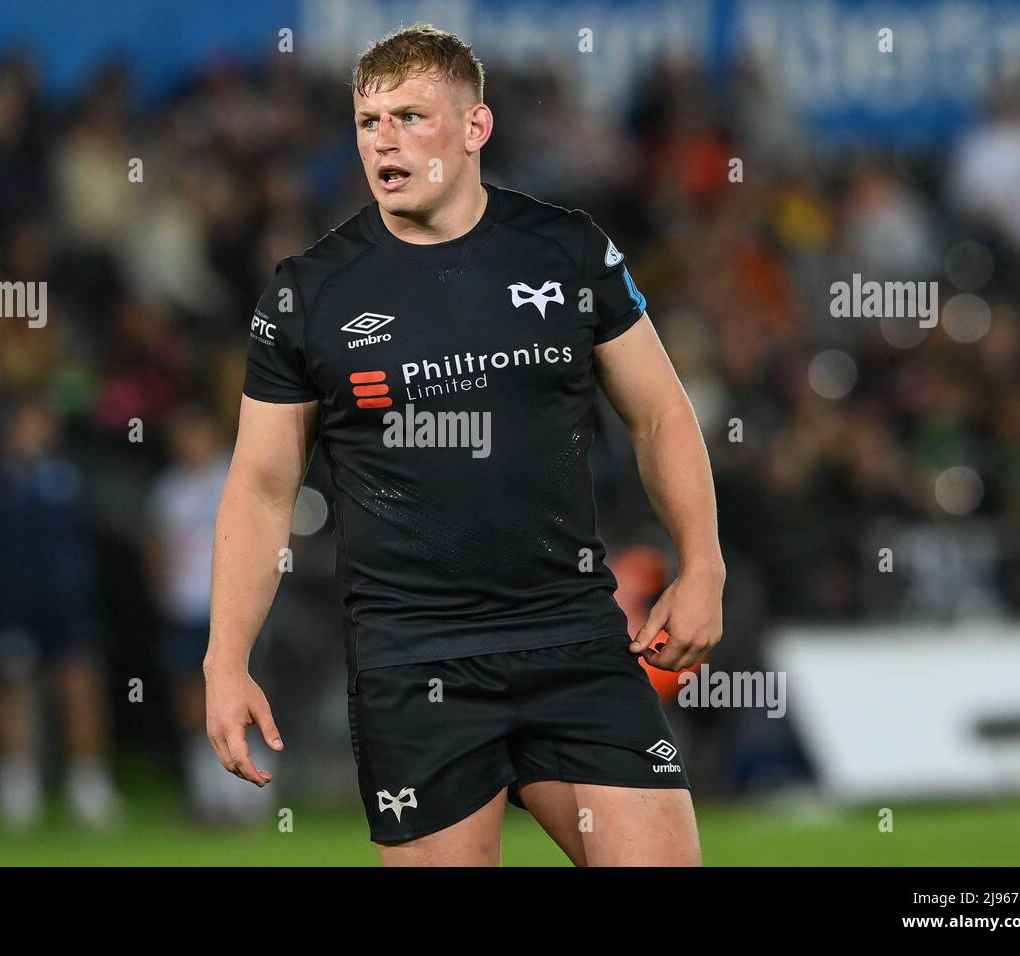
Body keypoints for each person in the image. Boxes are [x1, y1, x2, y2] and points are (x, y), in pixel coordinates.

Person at [205, 22, 724, 866]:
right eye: (369, 122)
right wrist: (224, 661)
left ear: (476, 128)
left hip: (575, 642)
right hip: (415, 662)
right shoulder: (310, 293)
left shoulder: (567, 250)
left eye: (411, 116)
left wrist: (702, 564)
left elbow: (662, 414)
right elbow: (261, 488)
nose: (385, 141)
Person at [0, 395, 122, 829]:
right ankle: (16, 788)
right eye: (28, 424)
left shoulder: (69, 479)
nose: (36, 434)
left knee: (81, 686)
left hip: (69, 604)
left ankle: (88, 784)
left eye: (42, 425)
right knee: (15, 691)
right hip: (14, 606)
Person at [144, 401, 278, 824]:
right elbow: (156, 547)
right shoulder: (169, 489)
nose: (187, 443)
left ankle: (252, 793)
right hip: (187, 607)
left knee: (244, 692)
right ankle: (207, 792)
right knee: (191, 702)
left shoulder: (234, 478)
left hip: (232, 610)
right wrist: (163, 594)